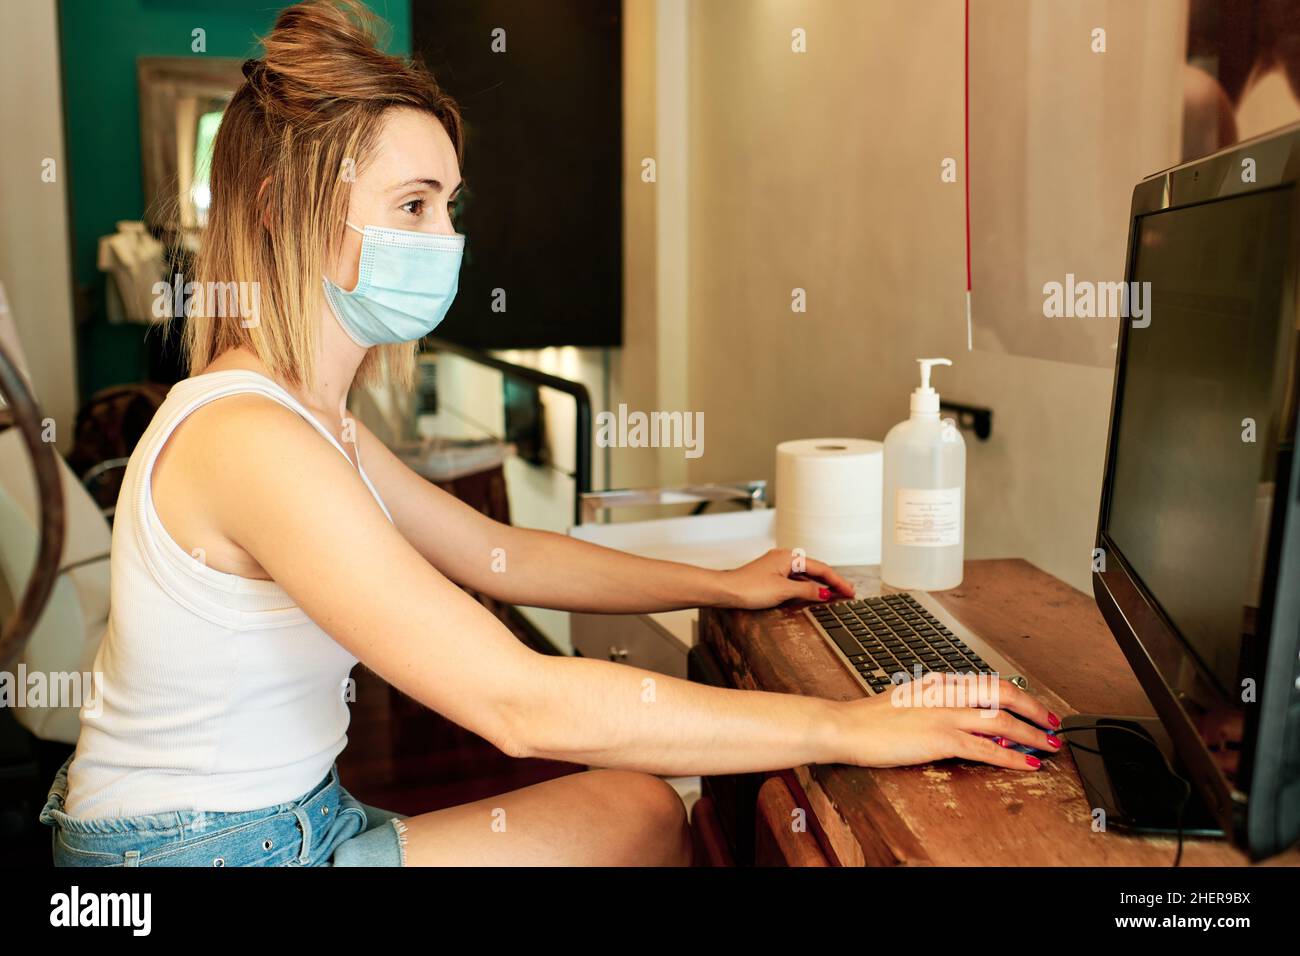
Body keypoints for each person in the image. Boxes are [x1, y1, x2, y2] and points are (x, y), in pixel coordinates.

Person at [40, 0, 1060, 867]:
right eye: (413, 204)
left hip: (282, 819)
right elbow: (515, 702)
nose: (448, 239)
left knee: (639, 806)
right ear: (279, 208)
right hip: (197, 851)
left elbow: (502, 552)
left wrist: (720, 582)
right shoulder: (252, 440)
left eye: (449, 204)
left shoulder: (310, 418)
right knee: (646, 807)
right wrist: (854, 724)